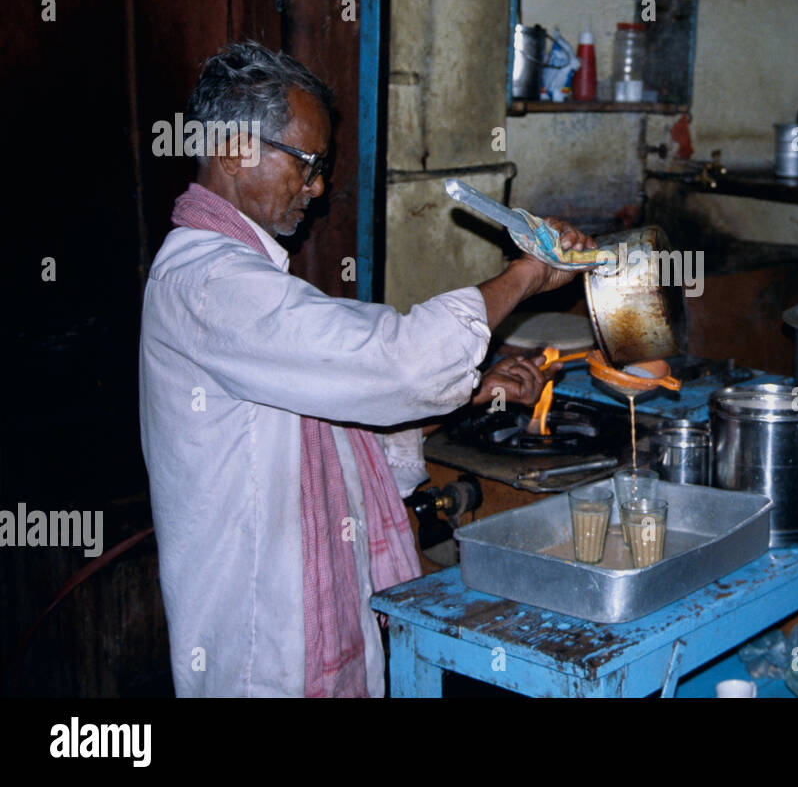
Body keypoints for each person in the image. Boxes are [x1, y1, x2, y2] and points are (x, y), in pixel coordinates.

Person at [139, 41, 594, 697]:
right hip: (260, 647)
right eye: (307, 163)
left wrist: (470, 393)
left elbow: (339, 408)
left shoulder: (240, 273)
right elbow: (393, 360)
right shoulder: (209, 281)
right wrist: (524, 277)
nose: (318, 187)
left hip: (301, 621)